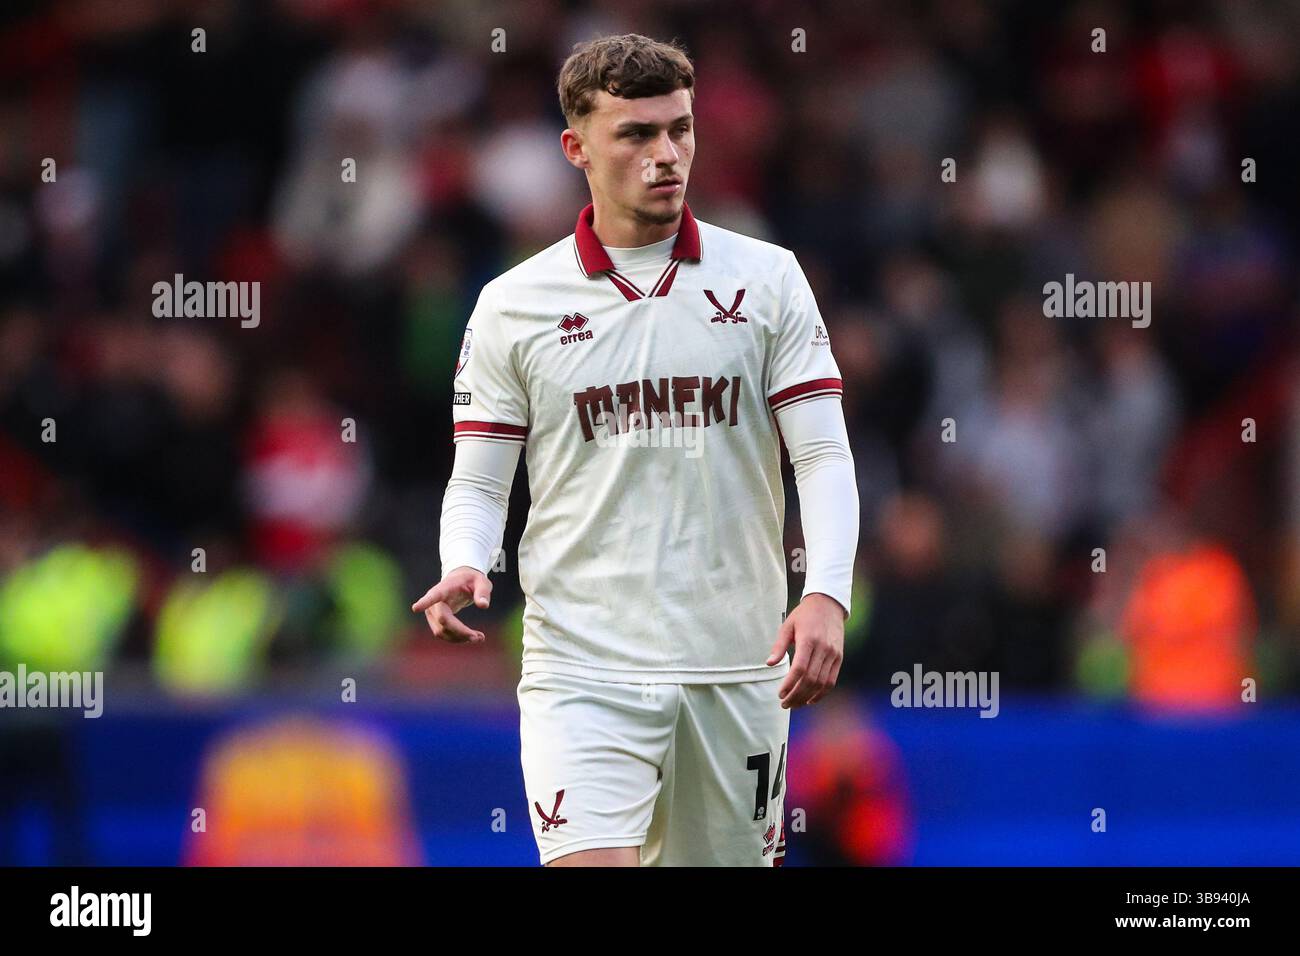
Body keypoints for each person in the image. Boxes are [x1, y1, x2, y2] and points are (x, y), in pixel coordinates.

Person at [412, 33, 858, 866]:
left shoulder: (768, 280)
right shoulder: (514, 305)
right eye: (636, 134)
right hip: (581, 665)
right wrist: (466, 558)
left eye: (679, 130)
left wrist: (826, 592)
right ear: (575, 148)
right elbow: (479, 477)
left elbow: (824, 457)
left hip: (738, 663)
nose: (667, 155)